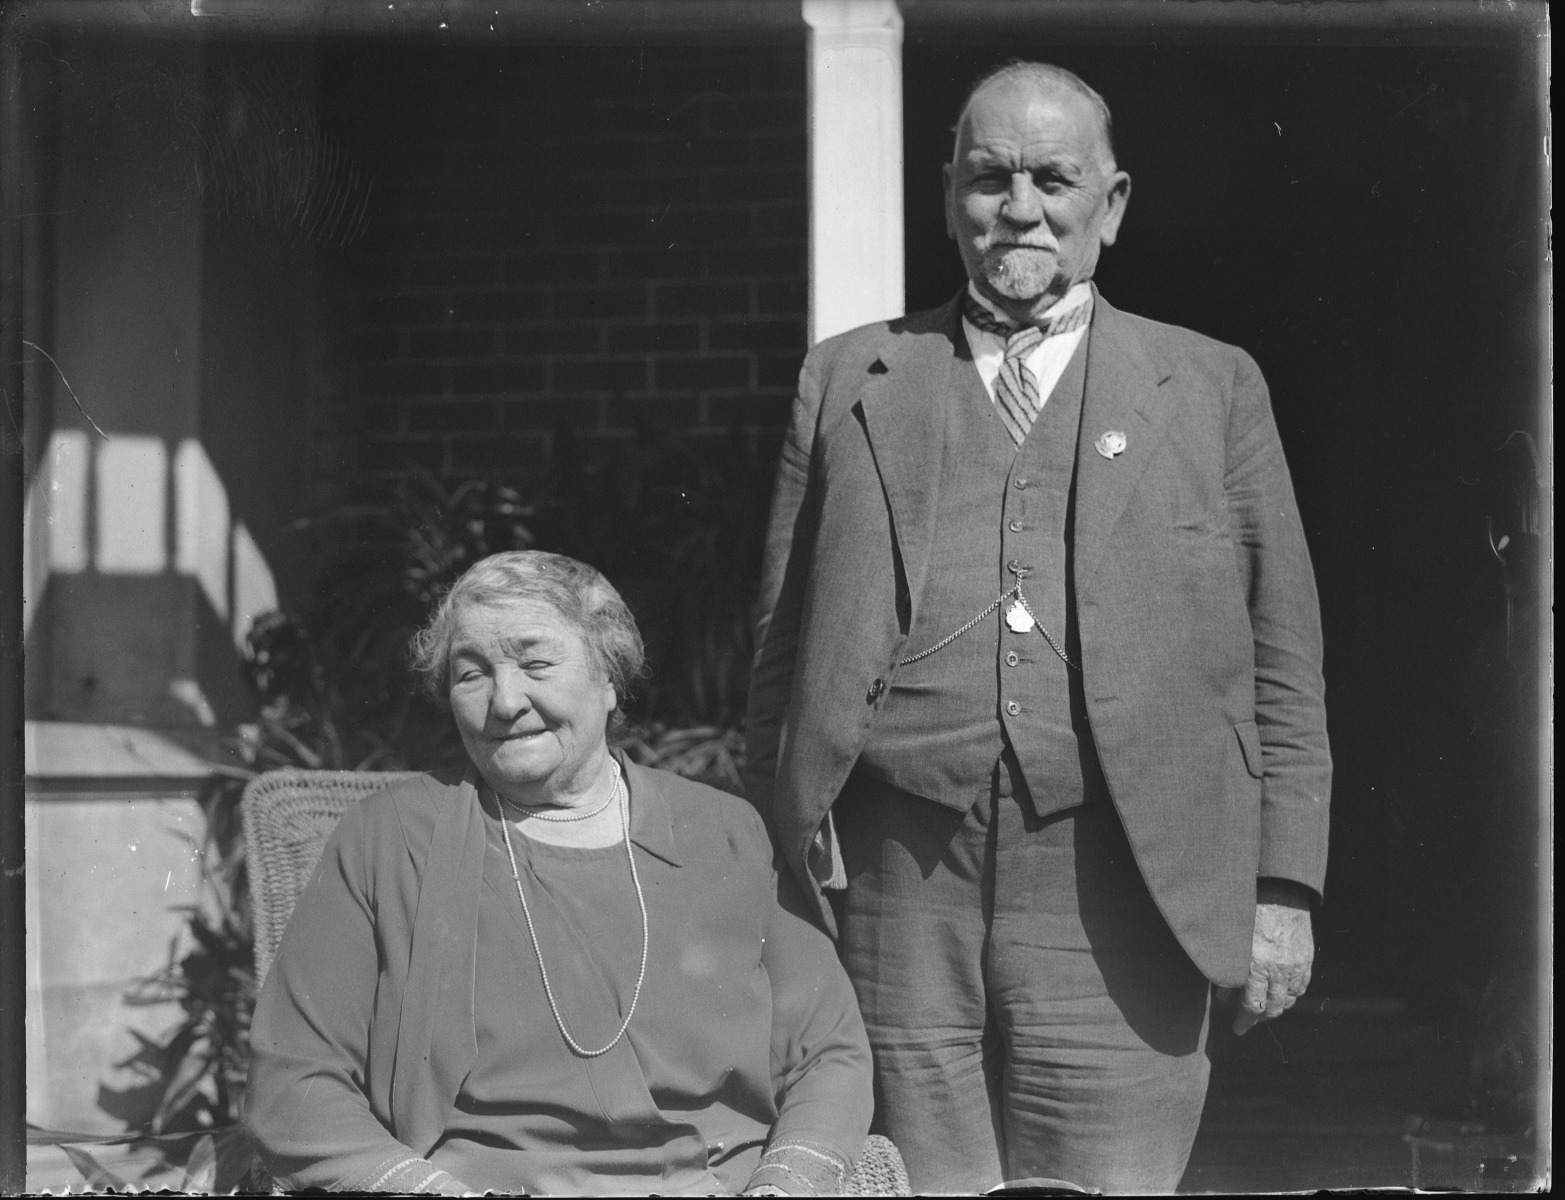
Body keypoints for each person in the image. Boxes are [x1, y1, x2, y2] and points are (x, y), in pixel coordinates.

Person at [745, 61, 1331, 1193]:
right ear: (948, 198)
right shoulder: (849, 378)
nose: (1019, 209)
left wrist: (1283, 888)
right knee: (908, 1179)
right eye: (988, 178)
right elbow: (779, 640)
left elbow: (1280, 658)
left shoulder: (1208, 387)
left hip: (1122, 870)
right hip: (891, 874)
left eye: (1053, 178)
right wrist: (779, 854)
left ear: (1108, 204)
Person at [245, 551, 872, 1196]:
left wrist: (785, 1184)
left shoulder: (723, 834)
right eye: (471, 674)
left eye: (537, 663)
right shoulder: (391, 838)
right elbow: (293, 1082)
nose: (504, 702)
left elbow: (828, 1051)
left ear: (609, 680)